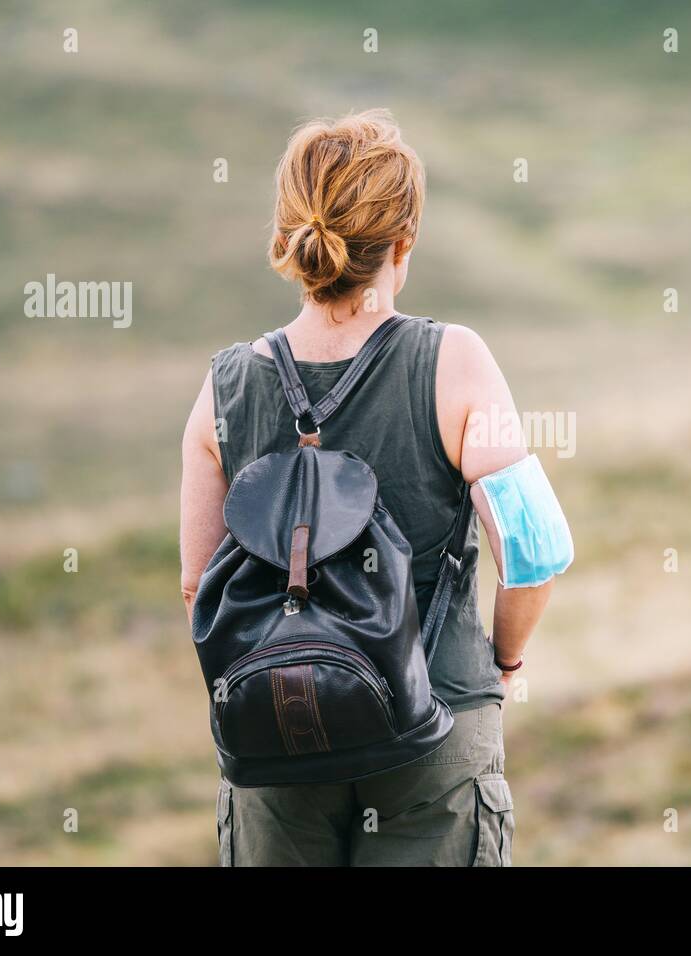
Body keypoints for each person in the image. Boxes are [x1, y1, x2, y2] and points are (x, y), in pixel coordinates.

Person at [178, 109, 571, 865]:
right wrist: (504, 663)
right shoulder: (454, 361)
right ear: (403, 241)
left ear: (289, 235)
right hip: (436, 725)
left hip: (277, 742)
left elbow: (200, 588)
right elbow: (534, 551)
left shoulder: (223, 388)